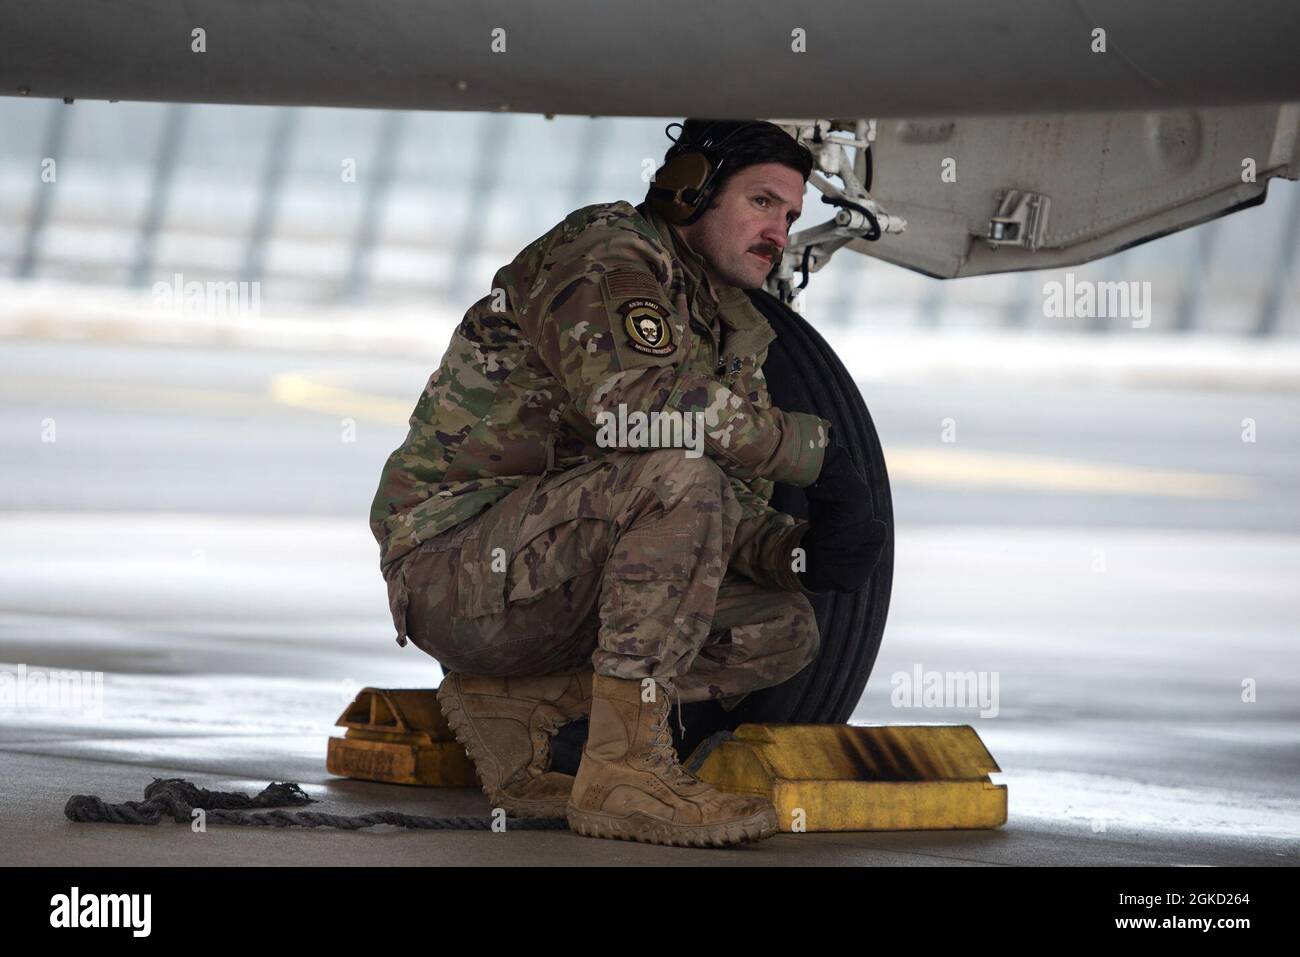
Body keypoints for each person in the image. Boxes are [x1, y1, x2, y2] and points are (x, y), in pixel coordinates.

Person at [369, 118, 887, 847]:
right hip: (453, 568)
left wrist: (796, 549)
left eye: (791, 216)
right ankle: (622, 774)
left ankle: (509, 700)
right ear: (689, 192)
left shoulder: (724, 322)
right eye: (762, 201)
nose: (779, 230)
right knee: (676, 474)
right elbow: (635, 409)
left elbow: (723, 512)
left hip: (545, 579)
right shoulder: (607, 255)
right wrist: (817, 455)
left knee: (781, 627)